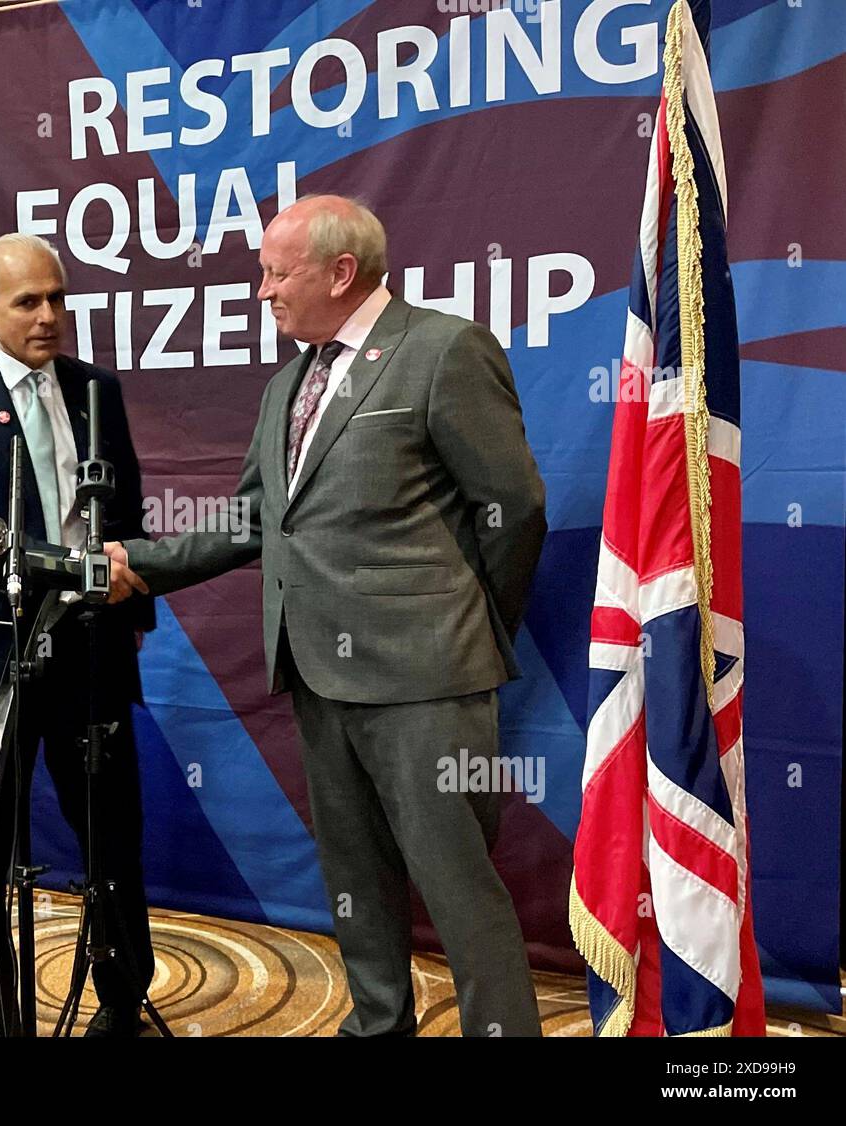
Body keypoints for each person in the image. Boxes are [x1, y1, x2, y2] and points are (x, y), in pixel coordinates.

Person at [106, 196, 547, 1037]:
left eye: (277, 272)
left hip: (428, 680)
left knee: (458, 885)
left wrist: (471, 630)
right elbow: (251, 521)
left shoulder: (443, 350)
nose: (262, 290)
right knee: (355, 877)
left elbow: (515, 509)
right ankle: (378, 1026)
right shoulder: (287, 385)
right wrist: (140, 564)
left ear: (341, 272)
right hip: (314, 670)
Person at [0, 233, 154, 1038]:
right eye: (27, 302)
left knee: (112, 832)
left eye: (57, 297)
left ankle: (122, 996)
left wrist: (130, 616)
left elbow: (127, 518)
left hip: (94, 652)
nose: (49, 315)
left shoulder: (97, 391)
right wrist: (68, 571)